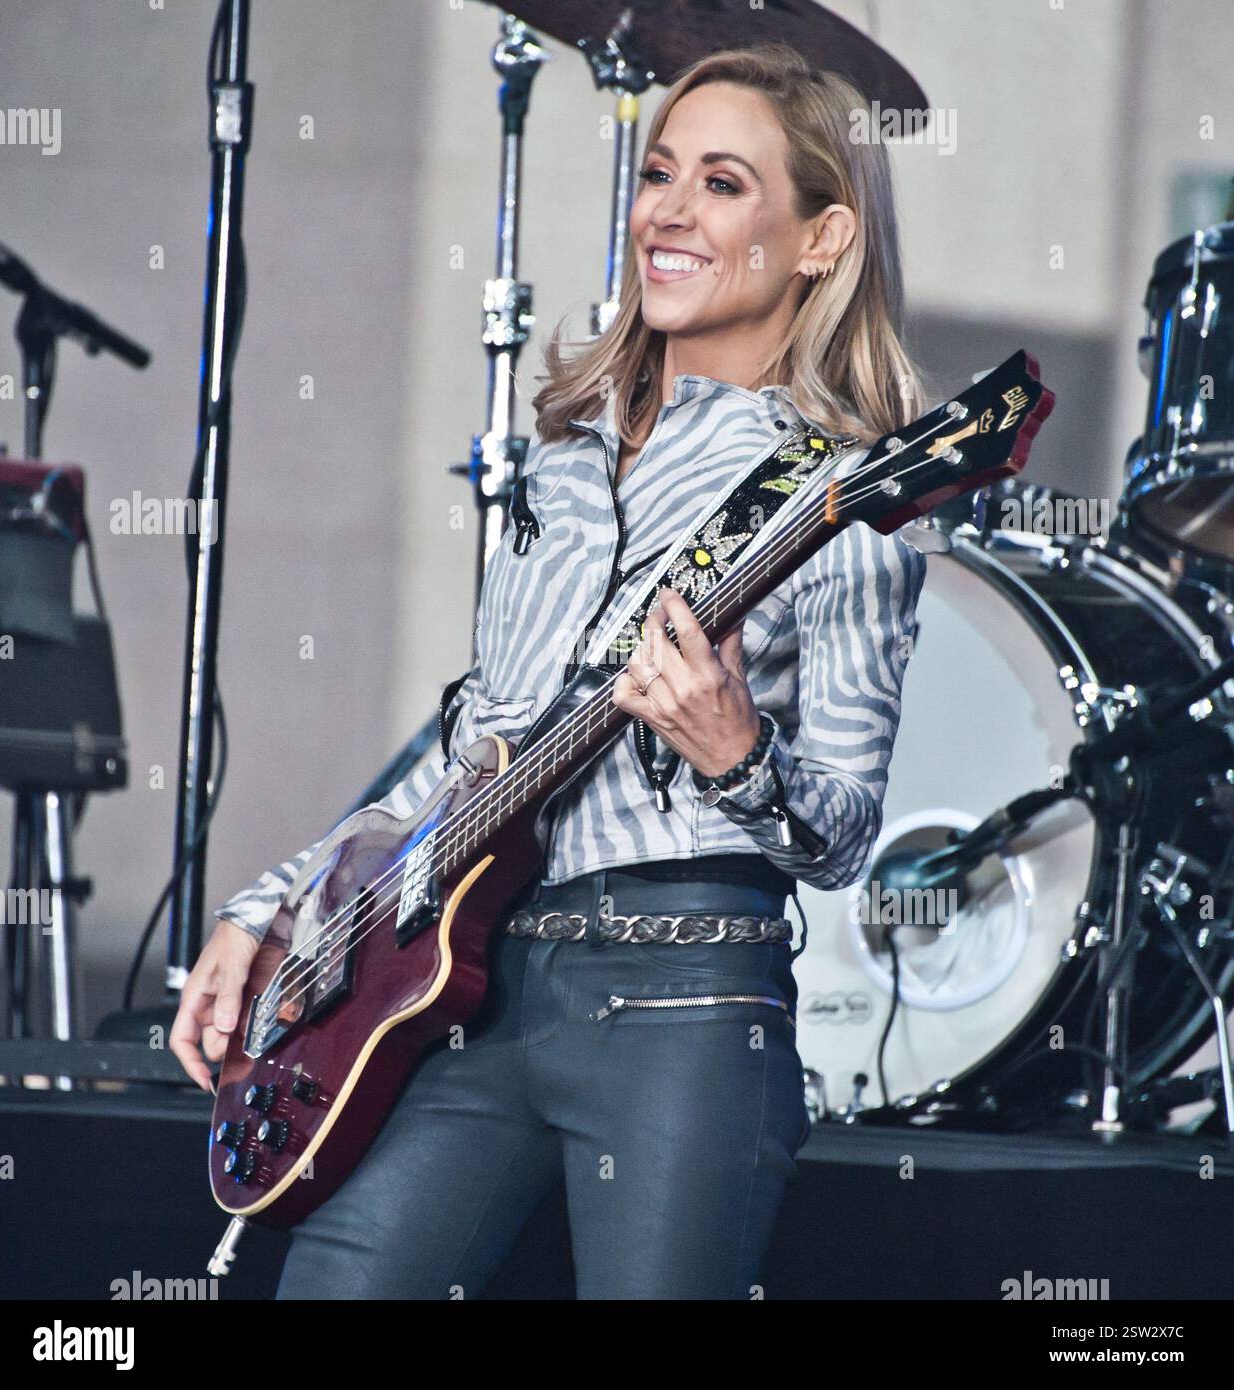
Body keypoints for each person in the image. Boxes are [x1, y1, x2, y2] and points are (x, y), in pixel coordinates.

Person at [172, 40, 927, 1300]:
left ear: (822, 238)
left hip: (682, 997)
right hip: (472, 994)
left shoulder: (847, 492)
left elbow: (842, 833)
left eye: (725, 184)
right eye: (659, 173)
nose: (668, 212)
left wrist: (738, 755)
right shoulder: (561, 465)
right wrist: (266, 912)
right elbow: (472, 753)